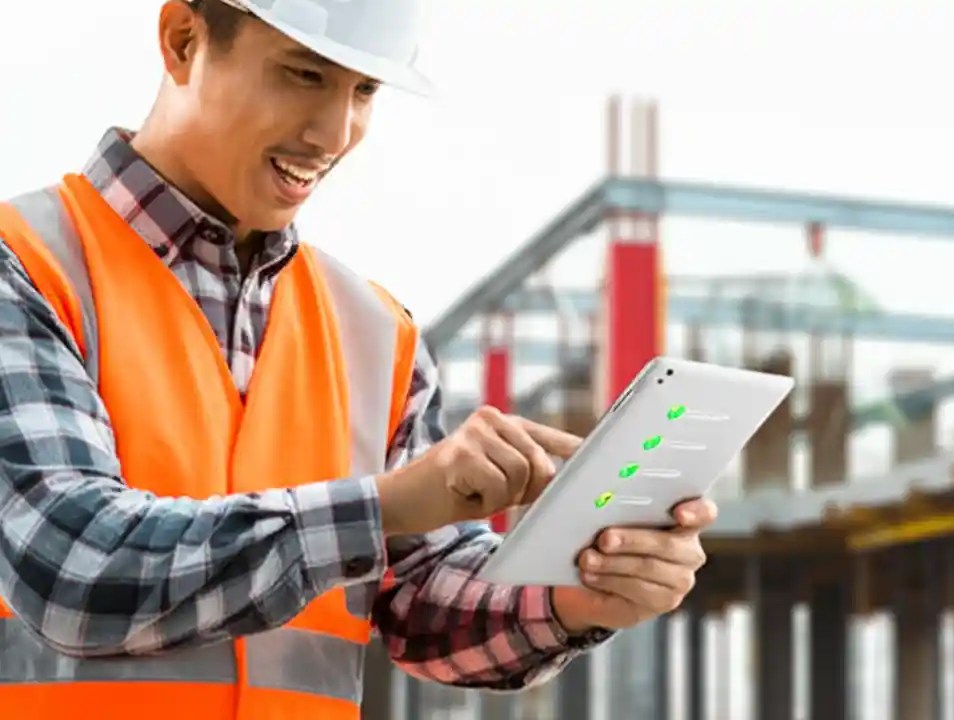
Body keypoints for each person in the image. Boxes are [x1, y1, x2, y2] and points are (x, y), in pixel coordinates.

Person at [0, 1, 716, 718]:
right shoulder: (28, 265)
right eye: (303, 74)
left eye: (364, 91)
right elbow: (74, 565)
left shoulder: (376, 330)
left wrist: (573, 593)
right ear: (184, 41)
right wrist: (386, 506)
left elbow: (423, 601)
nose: (334, 134)